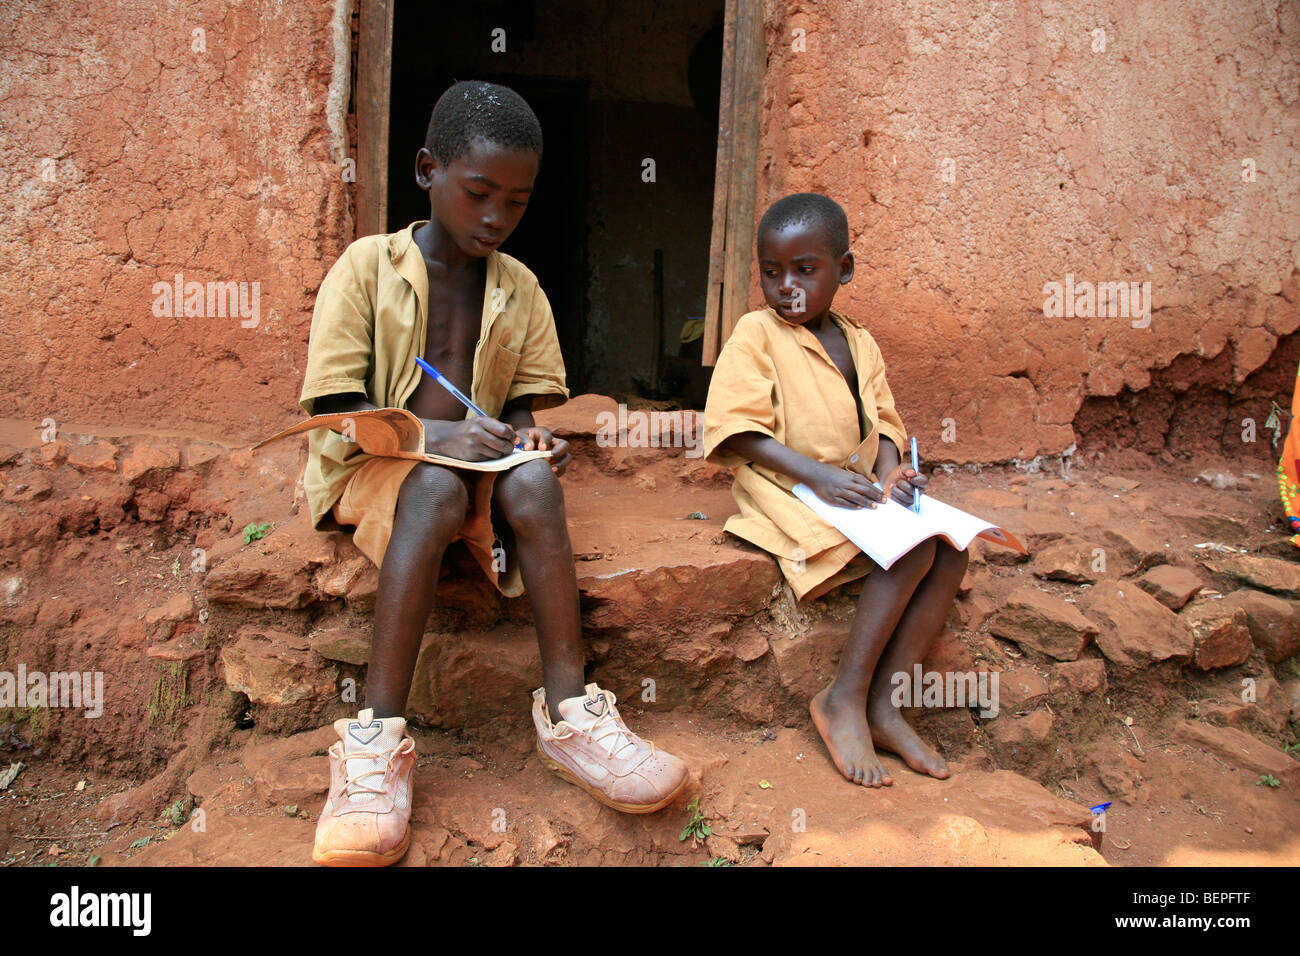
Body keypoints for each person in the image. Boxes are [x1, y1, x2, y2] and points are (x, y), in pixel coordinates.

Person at [298, 81, 687, 866]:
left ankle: (572, 715)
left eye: (516, 202)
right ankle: (374, 744)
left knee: (537, 482)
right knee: (437, 484)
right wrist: (437, 436)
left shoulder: (521, 290)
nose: (495, 218)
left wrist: (530, 443)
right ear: (426, 172)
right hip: (377, 467)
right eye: (478, 193)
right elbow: (337, 408)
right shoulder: (366, 267)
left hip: (474, 463)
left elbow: (521, 413)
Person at [703, 193, 967, 788]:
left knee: (952, 549)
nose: (785, 287)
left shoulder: (860, 342)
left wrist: (893, 470)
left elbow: (887, 422)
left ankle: (885, 706)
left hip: (855, 490)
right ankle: (843, 699)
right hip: (789, 486)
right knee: (911, 551)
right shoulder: (754, 334)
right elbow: (735, 429)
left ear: (842, 269)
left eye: (805, 270)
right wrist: (815, 473)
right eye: (771, 273)